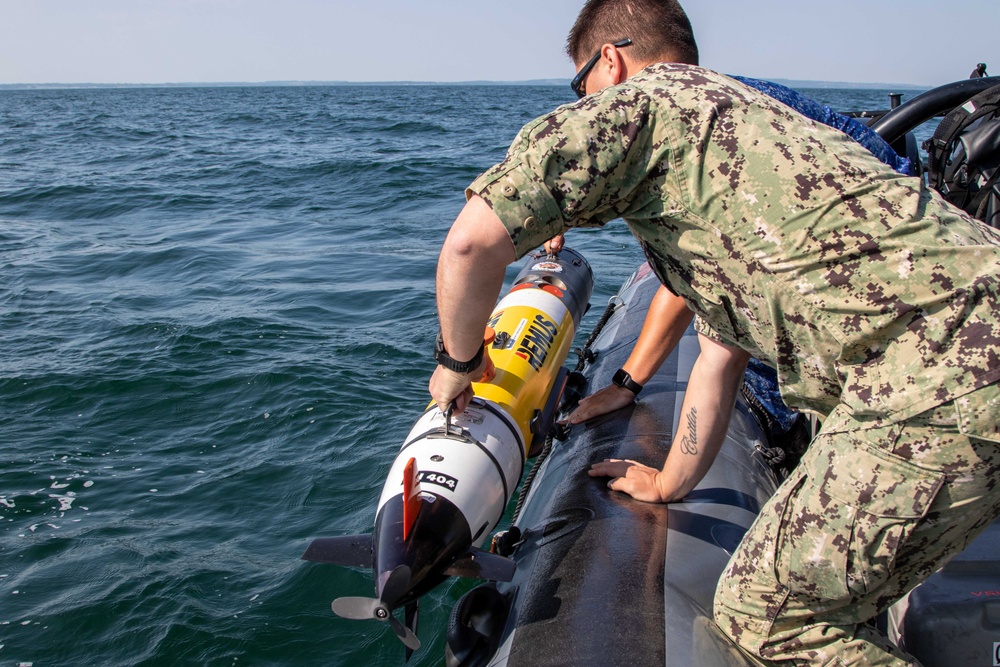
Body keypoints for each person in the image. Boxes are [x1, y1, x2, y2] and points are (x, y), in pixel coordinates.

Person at [427, 0, 1000, 664]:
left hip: (938, 378)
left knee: (765, 616)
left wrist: (458, 361)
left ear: (609, 61)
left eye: (579, 88)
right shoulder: (752, 132)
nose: (582, 104)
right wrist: (669, 481)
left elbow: (471, 244)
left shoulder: (639, 102)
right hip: (968, 353)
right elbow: (718, 359)